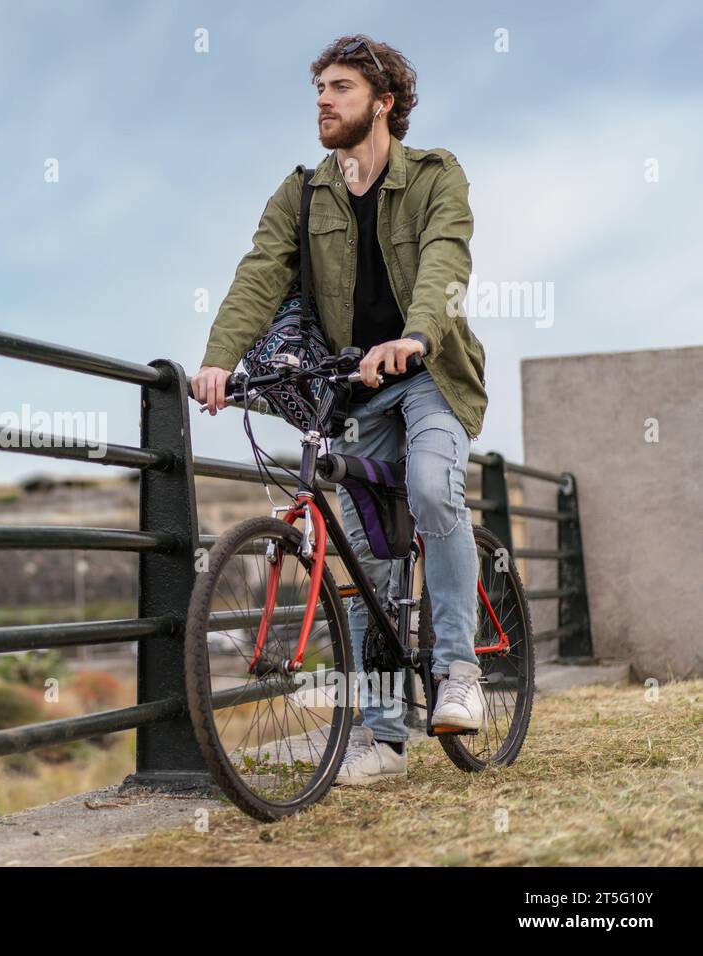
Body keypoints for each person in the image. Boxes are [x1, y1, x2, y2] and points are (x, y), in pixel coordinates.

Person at [191, 35, 489, 786]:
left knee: (429, 489)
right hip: (350, 395)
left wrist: (415, 335)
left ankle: (459, 671)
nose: (323, 99)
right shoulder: (300, 194)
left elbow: (447, 261)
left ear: (384, 103)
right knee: (364, 565)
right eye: (319, 86)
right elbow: (260, 274)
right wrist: (219, 358)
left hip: (428, 377)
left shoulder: (434, 176)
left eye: (342, 87)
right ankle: (383, 738)